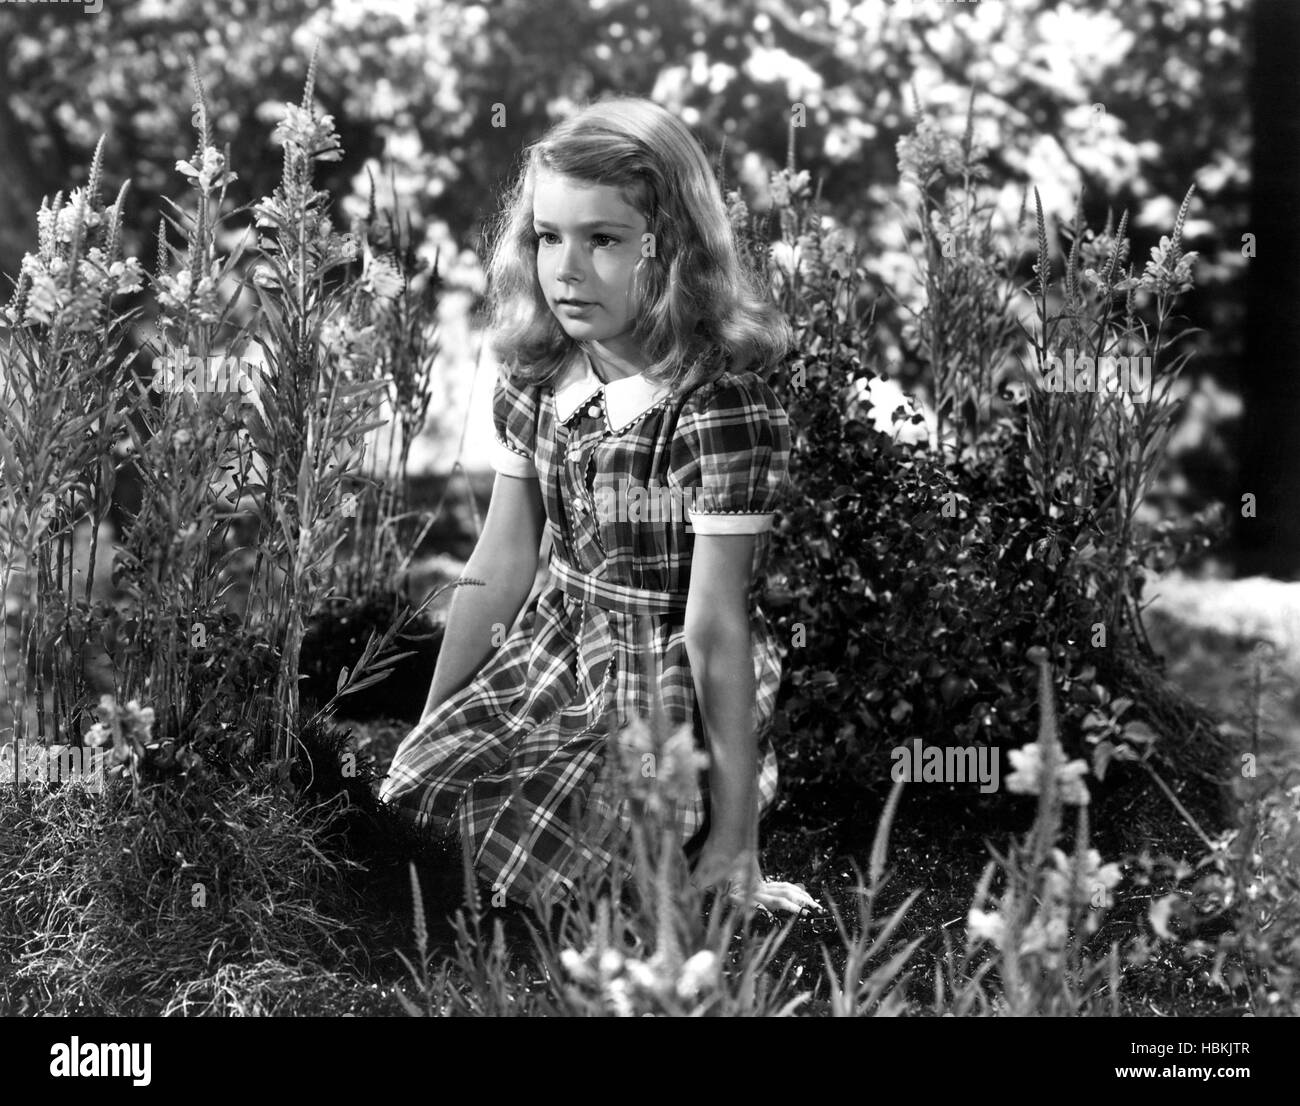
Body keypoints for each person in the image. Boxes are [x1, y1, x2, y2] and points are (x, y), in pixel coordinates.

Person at [380, 95, 819, 917]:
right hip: (556, 650)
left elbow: (714, 627)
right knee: (414, 797)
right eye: (549, 237)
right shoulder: (542, 376)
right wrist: (433, 721)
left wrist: (738, 851)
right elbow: (502, 562)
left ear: (673, 251)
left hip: (664, 679)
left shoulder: (715, 410)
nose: (567, 270)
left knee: (532, 859)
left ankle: (706, 824)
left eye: (605, 240)